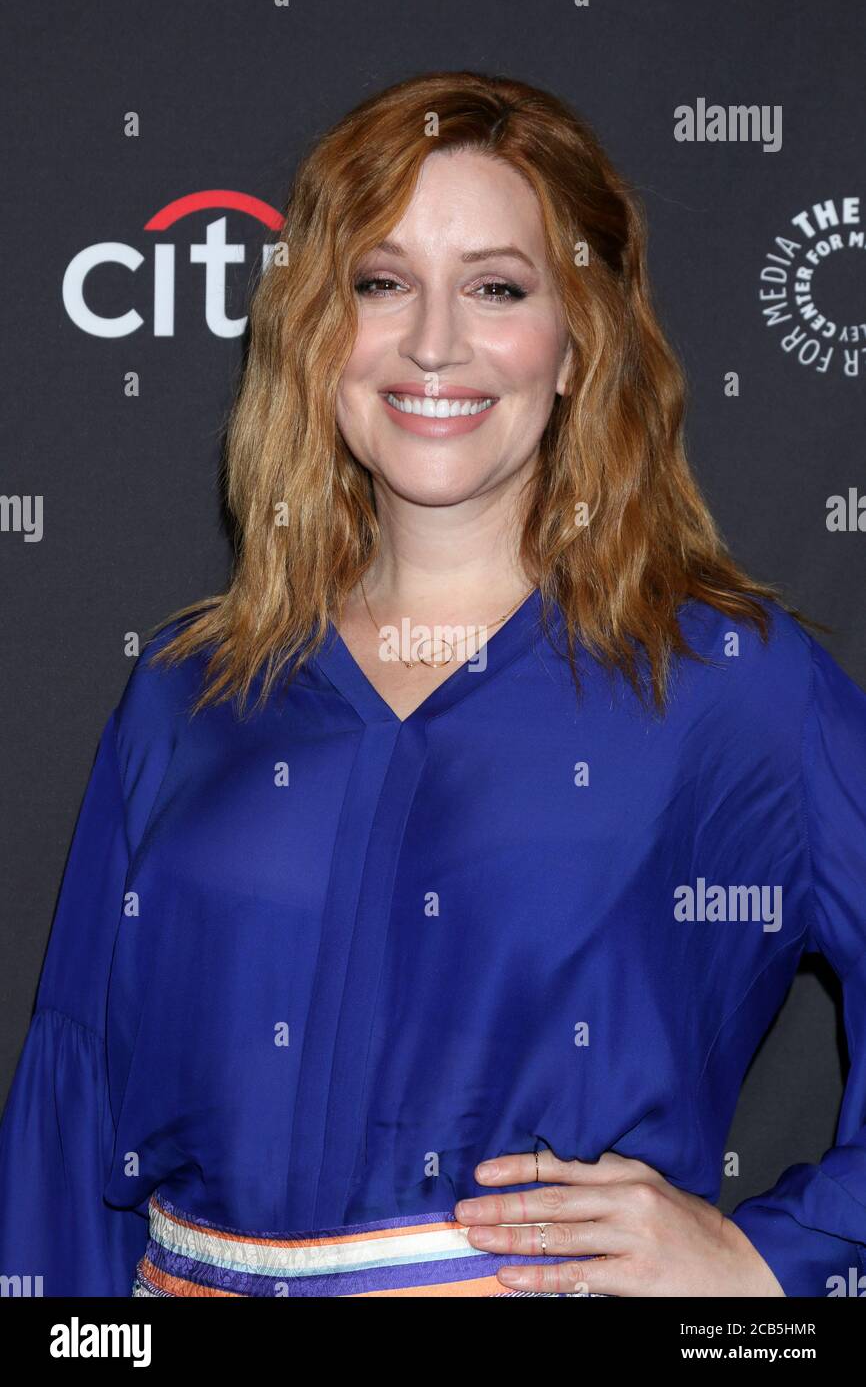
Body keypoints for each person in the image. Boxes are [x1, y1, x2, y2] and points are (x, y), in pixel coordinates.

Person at [2, 70, 865, 1299]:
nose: (433, 343)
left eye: (497, 289)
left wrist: (761, 1260)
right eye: (381, 282)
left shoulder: (729, 686)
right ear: (316, 326)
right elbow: (69, 1110)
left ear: (580, 342)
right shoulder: (188, 693)